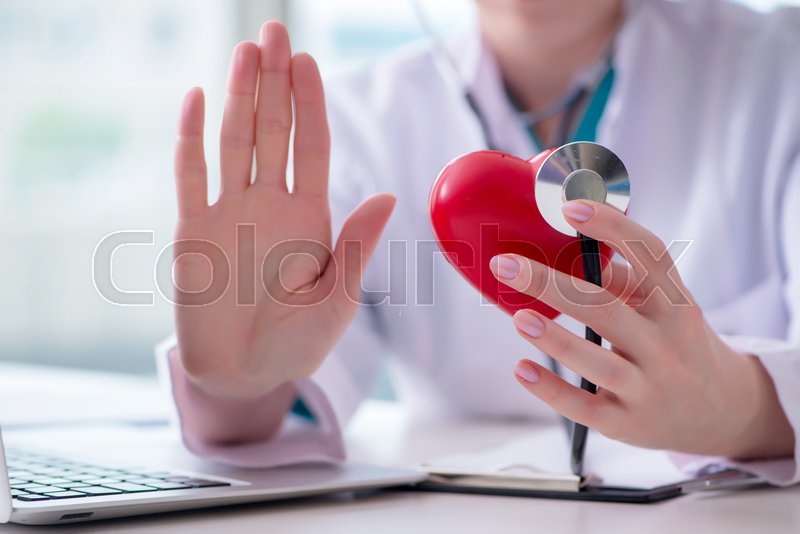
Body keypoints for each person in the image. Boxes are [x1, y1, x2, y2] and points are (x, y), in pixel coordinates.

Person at [161, 0, 799, 483]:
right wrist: (233, 384)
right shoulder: (360, 125)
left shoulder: (781, 70)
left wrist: (742, 409)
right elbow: (282, 386)